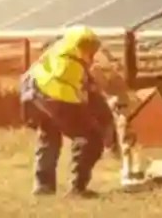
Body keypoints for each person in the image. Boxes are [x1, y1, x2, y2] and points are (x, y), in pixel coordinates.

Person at [19, 25, 111, 198]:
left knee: (49, 135)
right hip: (57, 97)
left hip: (33, 92)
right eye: (90, 52)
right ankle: (77, 188)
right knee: (90, 138)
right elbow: (78, 99)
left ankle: (43, 187)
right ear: (83, 48)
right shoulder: (70, 67)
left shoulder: (58, 47)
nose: (92, 56)